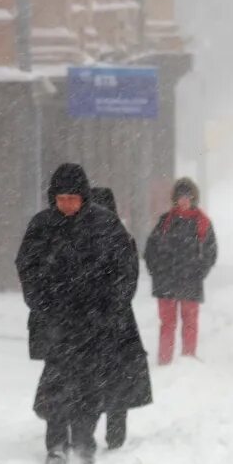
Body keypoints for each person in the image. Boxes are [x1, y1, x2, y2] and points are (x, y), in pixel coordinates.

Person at [16, 165, 140, 464]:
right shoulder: (42, 226)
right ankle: (56, 445)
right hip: (56, 322)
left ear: (84, 196)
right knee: (57, 384)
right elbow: (27, 267)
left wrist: (111, 306)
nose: (67, 204)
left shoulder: (105, 225)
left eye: (72, 198)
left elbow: (125, 269)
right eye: (61, 199)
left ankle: (84, 440)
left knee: (89, 385)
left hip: (95, 323)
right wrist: (42, 302)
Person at [88, 187, 152, 449]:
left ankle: (86, 434)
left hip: (94, 321)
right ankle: (115, 434)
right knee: (117, 379)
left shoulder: (86, 238)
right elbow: (129, 281)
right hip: (118, 322)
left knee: (90, 379)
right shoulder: (122, 237)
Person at [144, 177, 219, 364]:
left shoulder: (202, 222)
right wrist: (156, 270)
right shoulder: (165, 221)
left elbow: (211, 252)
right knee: (167, 323)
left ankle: (188, 360)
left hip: (190, 279)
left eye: (187, 197)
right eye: (180, 197)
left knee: (190, 322)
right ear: (175, 199)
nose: (184, 200)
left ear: (193, 199)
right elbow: (150, 249)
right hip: (166, 280)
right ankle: (165, 361)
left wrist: (199, 271)